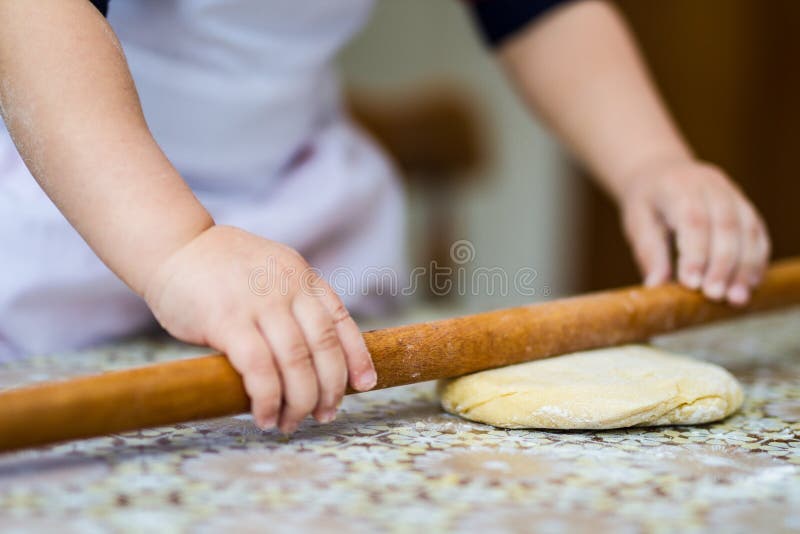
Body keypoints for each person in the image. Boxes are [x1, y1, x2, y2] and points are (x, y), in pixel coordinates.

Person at [0, 0, 770, 434]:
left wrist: (651, 162)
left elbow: (539, 9)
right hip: (77, 202)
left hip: (294, 204)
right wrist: (177, 248)